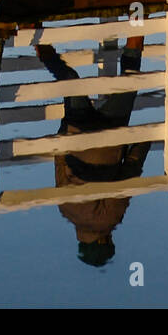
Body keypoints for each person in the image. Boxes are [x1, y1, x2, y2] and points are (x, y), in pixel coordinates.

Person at [36, 34, 150, 268]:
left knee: (130, 80)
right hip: (78, 133)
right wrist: (66, 130)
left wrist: (144, 141)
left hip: (110, 134)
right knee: (71, 81)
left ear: (103, 242)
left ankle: (138, 24)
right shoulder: (66, 211)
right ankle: (39, 41)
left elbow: (129, 173)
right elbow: (60, 162)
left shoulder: (110, 219)